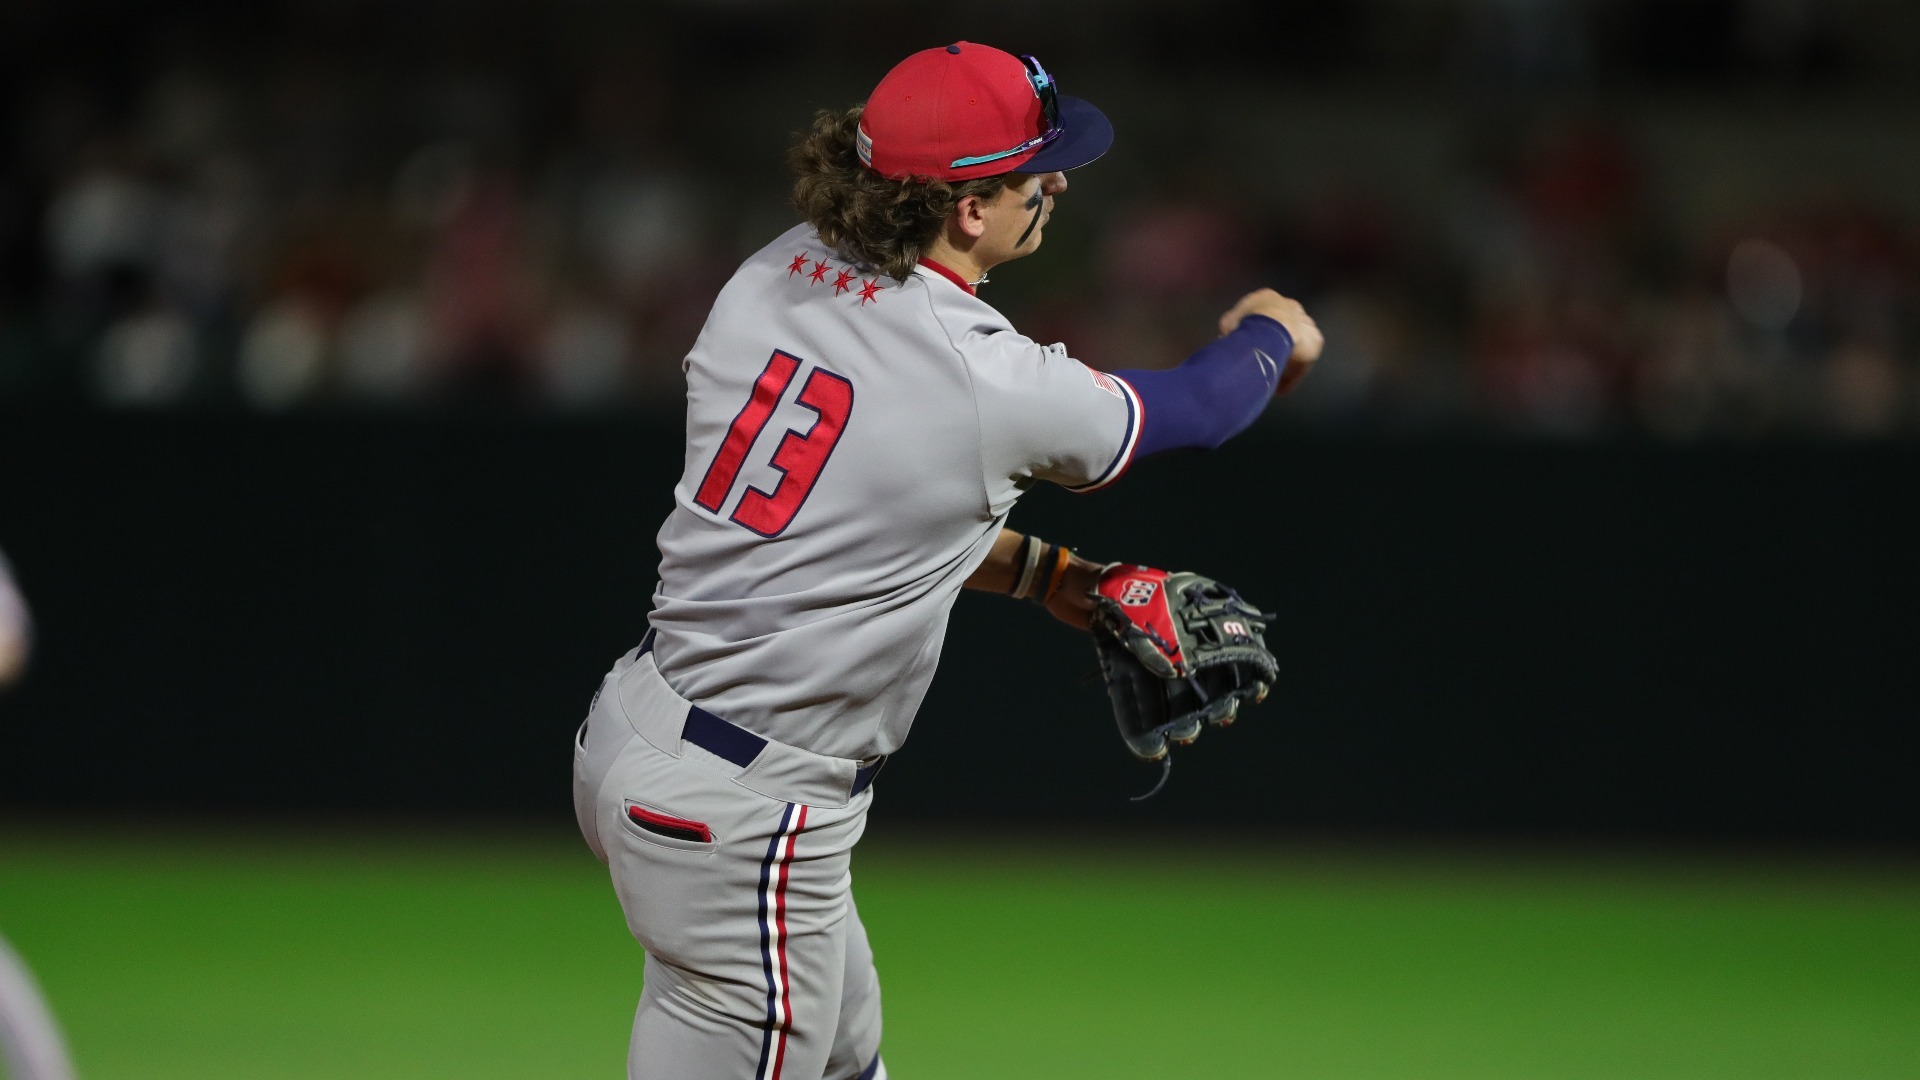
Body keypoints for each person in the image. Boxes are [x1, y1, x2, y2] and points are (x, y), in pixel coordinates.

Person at [571, 42, 1323, 1079]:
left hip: (654, 730)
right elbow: (1196, 408)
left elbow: (877, 524)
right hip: (745, 814)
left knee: (846, 1061)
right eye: (1038, 167)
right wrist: (1272, 336)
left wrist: (1059, 578)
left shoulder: (775, 270)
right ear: (968, 207)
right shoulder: (980, 374)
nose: (1057, 182)